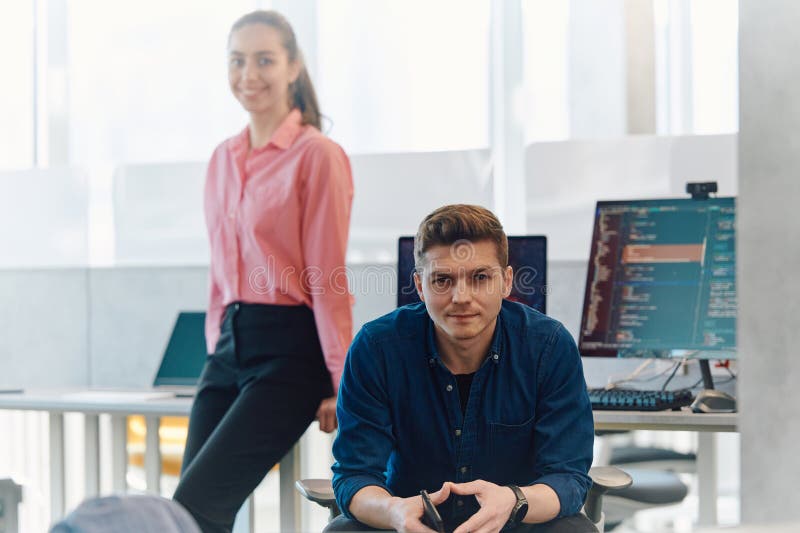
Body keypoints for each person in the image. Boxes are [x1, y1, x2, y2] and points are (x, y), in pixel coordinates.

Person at [173, 10, 354, 533]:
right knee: (183, 516)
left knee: (195, 506)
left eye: (264, 60)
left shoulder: (317, 155)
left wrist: (342, 381)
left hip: (289, 355)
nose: (248, 74)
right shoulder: (222, 159)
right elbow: (219, 270)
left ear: (293, 67)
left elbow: (327, 275)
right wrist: (216, 347)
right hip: (230, 348)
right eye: (237, 61)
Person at [330, 205, 595, 533]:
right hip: (411, 525)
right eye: (442, 280)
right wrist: (393, 512)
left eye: (480, 277)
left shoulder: (549, 347)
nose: (461, 297)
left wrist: (514, 501)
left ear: (506, 281)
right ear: (419, 285)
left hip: (514, 523)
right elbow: (355, 475)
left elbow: (567, 476)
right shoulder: (377, 348)